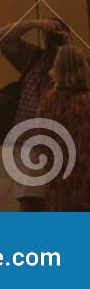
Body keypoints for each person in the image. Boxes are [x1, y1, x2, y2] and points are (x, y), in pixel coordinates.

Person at [0, 16, 70, 210]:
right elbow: (0, 37)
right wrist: (34, 24)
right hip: (30, 142)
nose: (54, 39)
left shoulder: (74, 65)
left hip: (64, 144)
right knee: (32, 201)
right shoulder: (33, 58)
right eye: (50, 34)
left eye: (59, 34)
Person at [37, 44, 90, 211]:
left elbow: (42, 142)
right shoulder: (87, 101)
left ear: (56, 70)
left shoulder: (47, 102)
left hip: (59, 179)